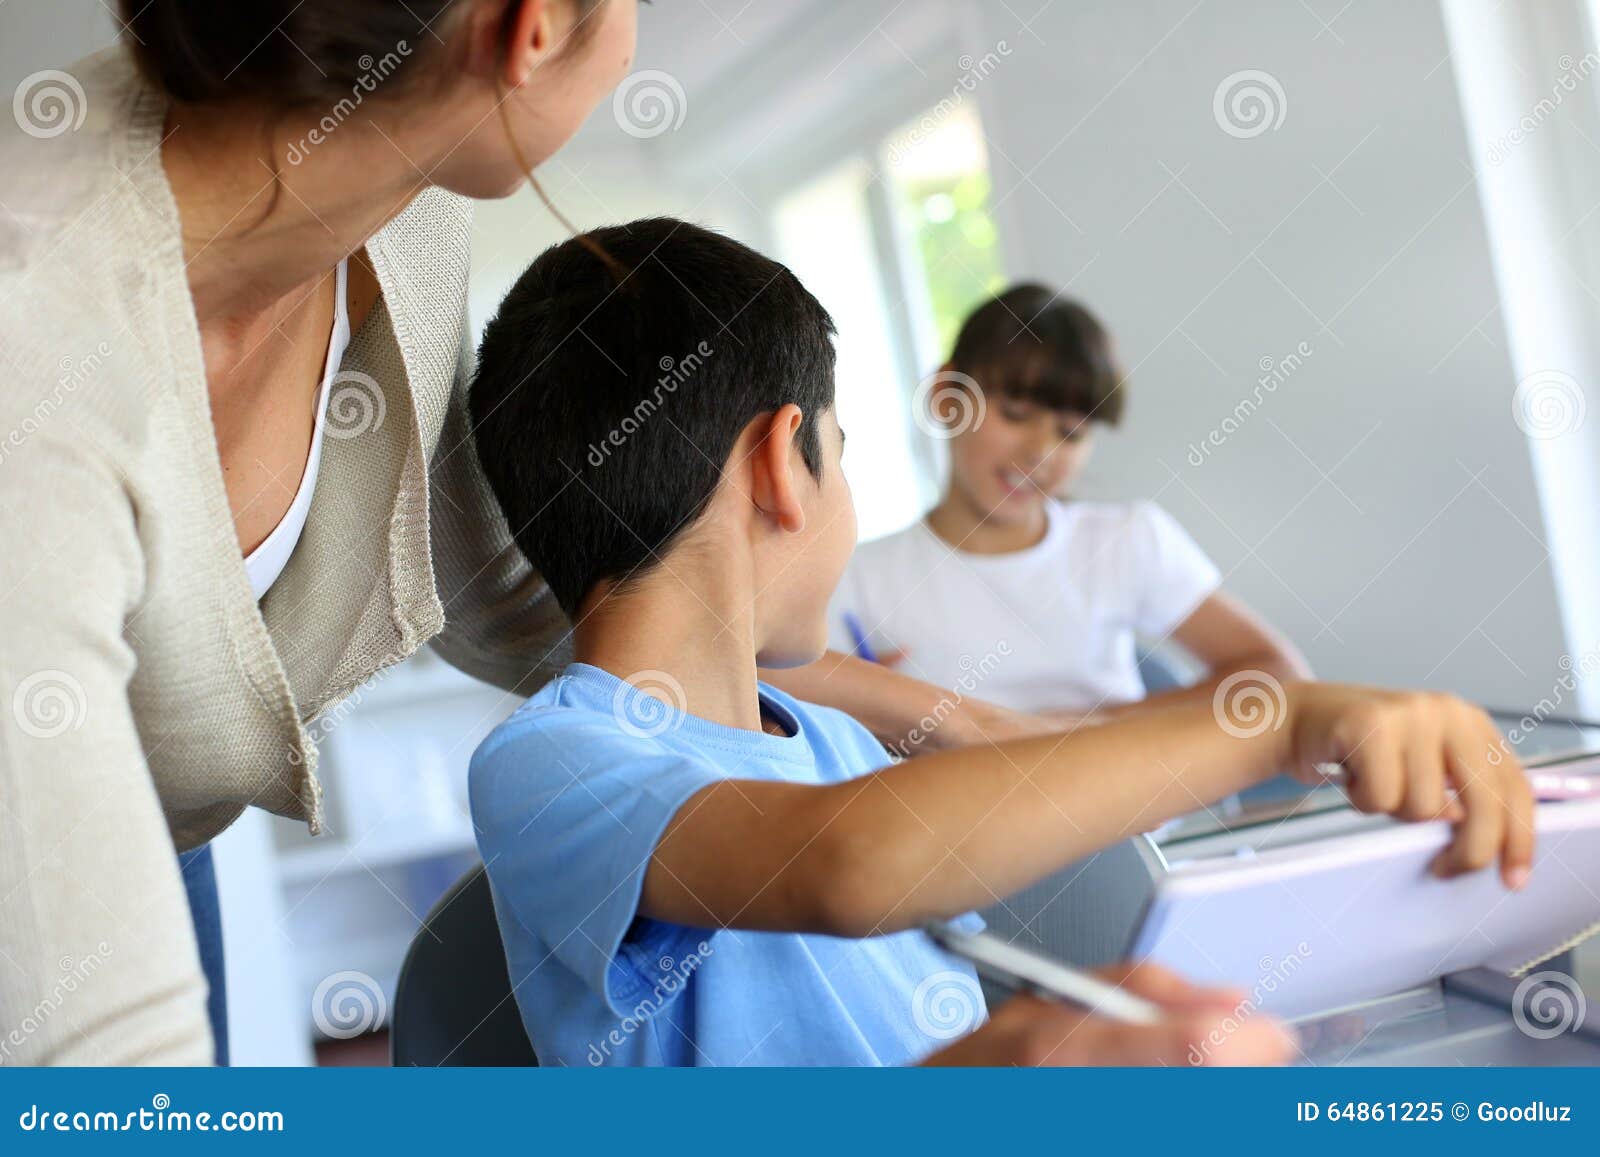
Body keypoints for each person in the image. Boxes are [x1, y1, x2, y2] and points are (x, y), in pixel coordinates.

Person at [0, 0, 1066, 1067]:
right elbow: (104, 1060)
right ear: (535, 29)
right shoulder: (35, 332)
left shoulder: (402, 194)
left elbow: (534, 587)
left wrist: (907, 707)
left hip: (156, 828)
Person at [464, 218, 1533, 1066]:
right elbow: (848, 858)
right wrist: (1274, 723)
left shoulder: (829, 744)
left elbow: (935, 999)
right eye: (843, 452)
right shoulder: (552, 760)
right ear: (783, 465)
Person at [830, 284, 1310, 723]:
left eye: (1071, 431)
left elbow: (1277, 675)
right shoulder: (859, 581)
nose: (1041, 453)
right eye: (1016, 414)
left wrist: (1073, 732)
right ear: (946, 395)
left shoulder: (1125, 540)